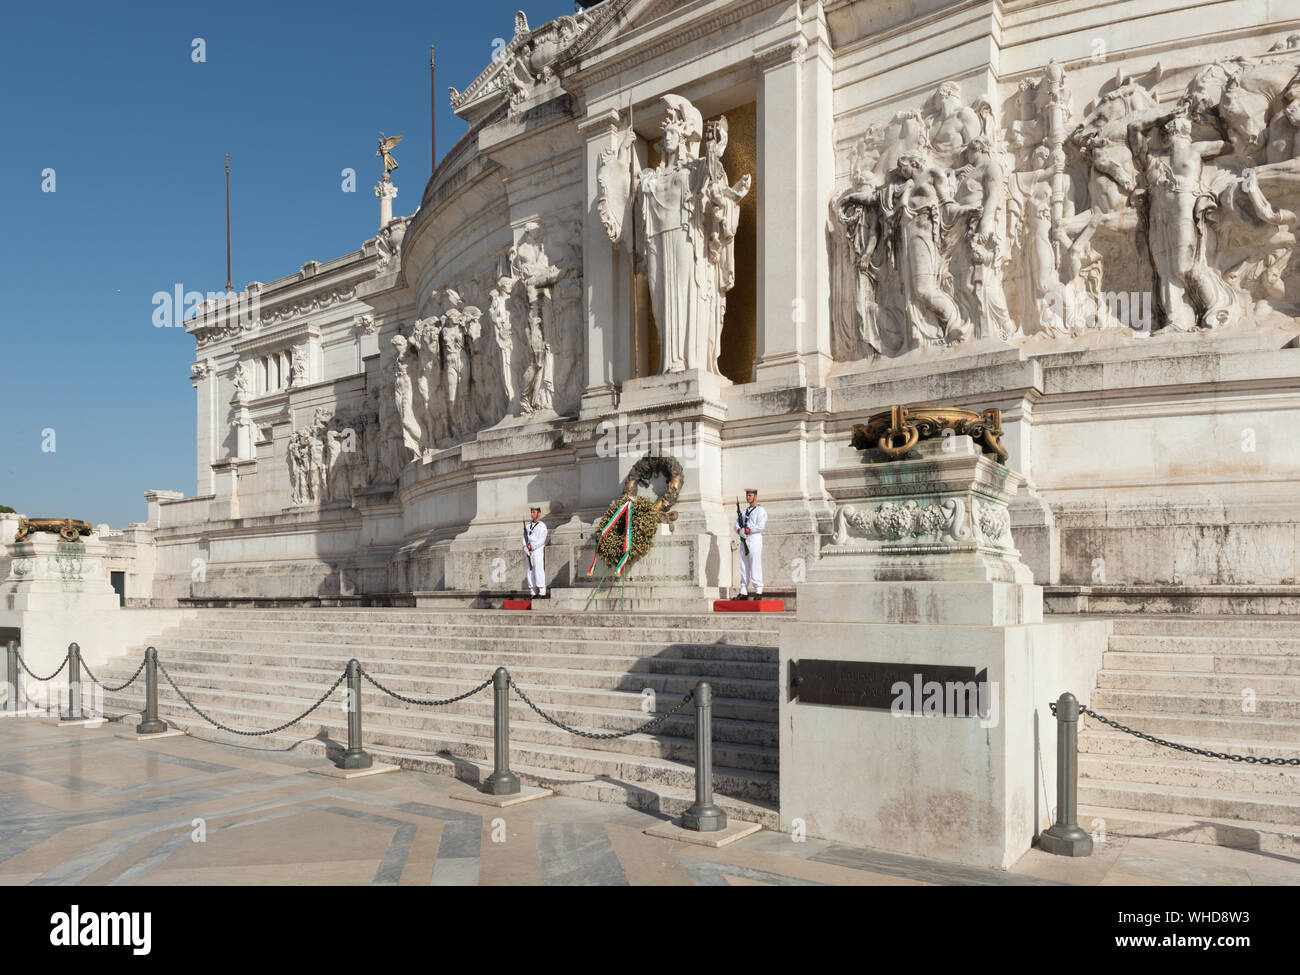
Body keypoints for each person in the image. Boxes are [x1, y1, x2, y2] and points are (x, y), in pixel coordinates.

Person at [734, 489, 767, 599]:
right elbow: (736, 525)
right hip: (744, 540)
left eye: (750, 495)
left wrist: (748, 530)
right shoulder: (744, 512)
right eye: (747, 495)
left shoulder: (760, 511)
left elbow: (761, 526)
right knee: (744, 565)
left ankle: (758, 590)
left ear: (755, 496)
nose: (748, 497)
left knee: (755, 564)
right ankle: (743, 590)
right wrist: (740, 531)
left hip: (754, 539)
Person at [523, 505, 548, 599]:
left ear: (539, 513)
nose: (532, 514)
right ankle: (533, 592)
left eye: (534, 512)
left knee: (538, 569)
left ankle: (542, 592)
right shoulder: (528, 526)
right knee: (530, 571)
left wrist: (532, 546)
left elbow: (542, 540)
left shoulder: (542, 526)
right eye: (531, 512)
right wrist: (526, 547)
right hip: (529, 552)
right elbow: (524, 538)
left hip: (537, 551)